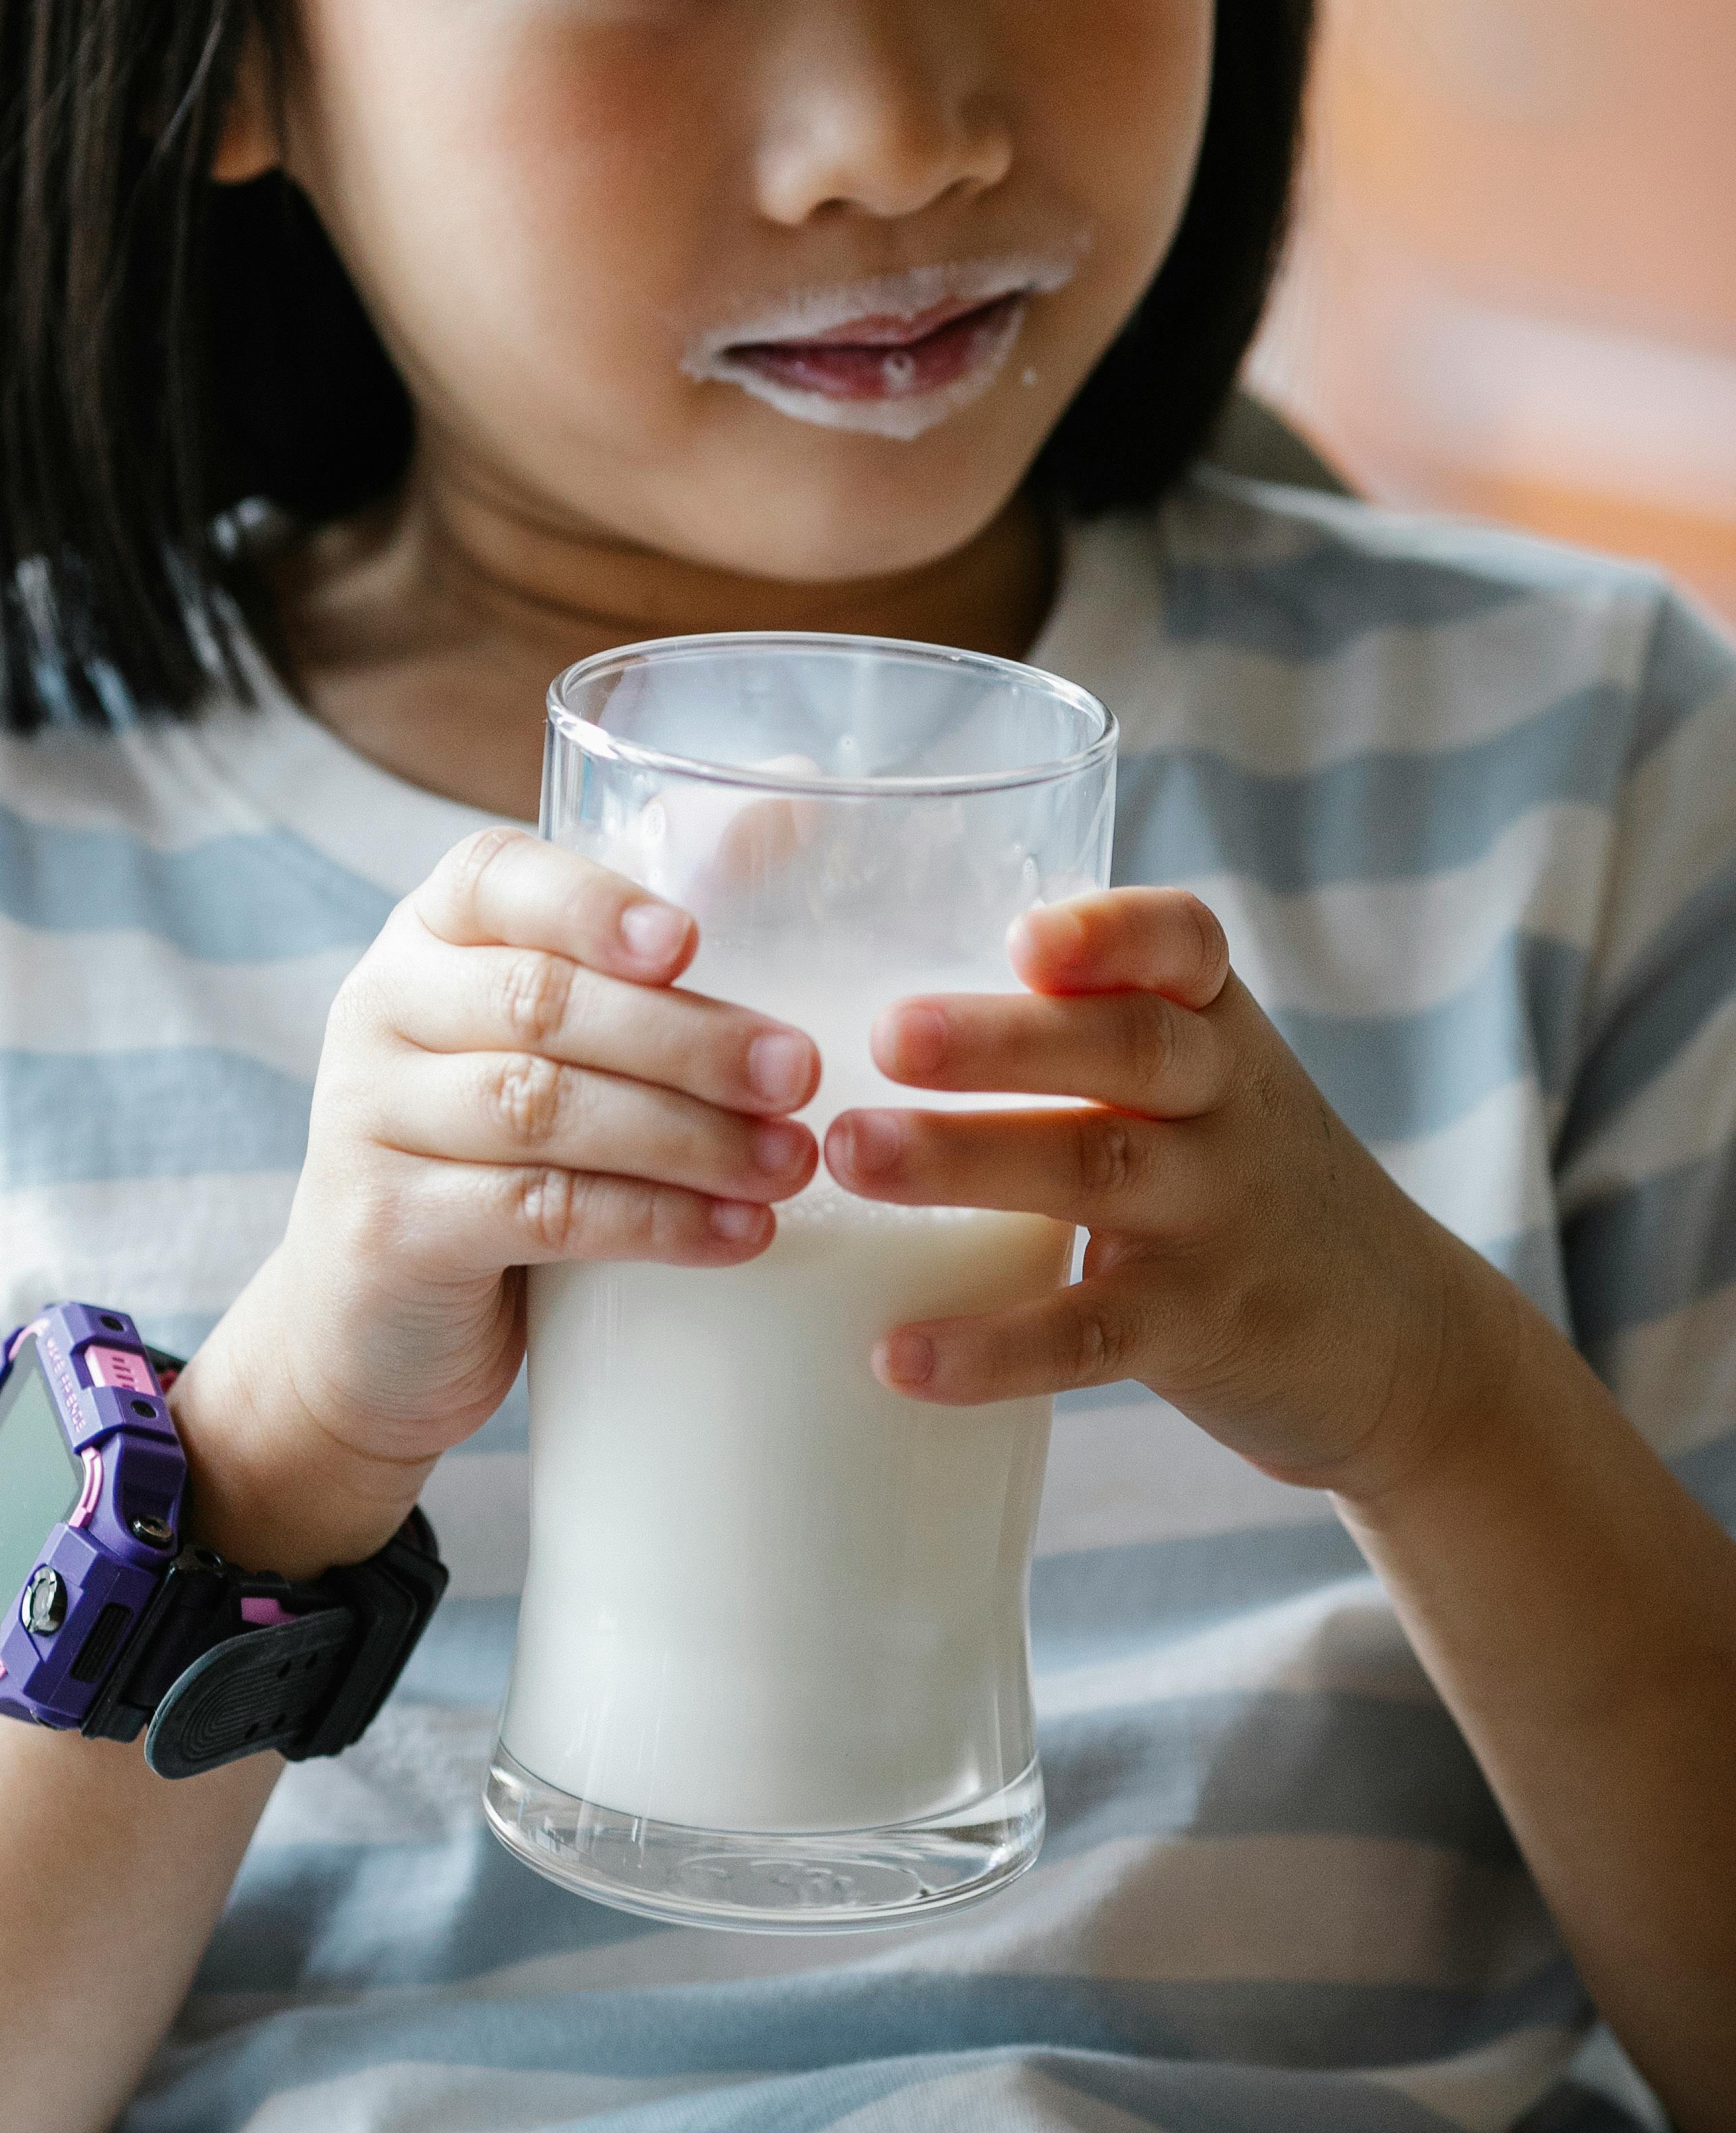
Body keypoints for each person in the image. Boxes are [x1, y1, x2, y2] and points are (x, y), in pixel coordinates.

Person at [1, 3, 1731, 2128]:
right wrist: (268, 1458)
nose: (893, 142)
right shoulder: (37, 849)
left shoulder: (1594, 760)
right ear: (235, 59)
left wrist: (1435, 1405)